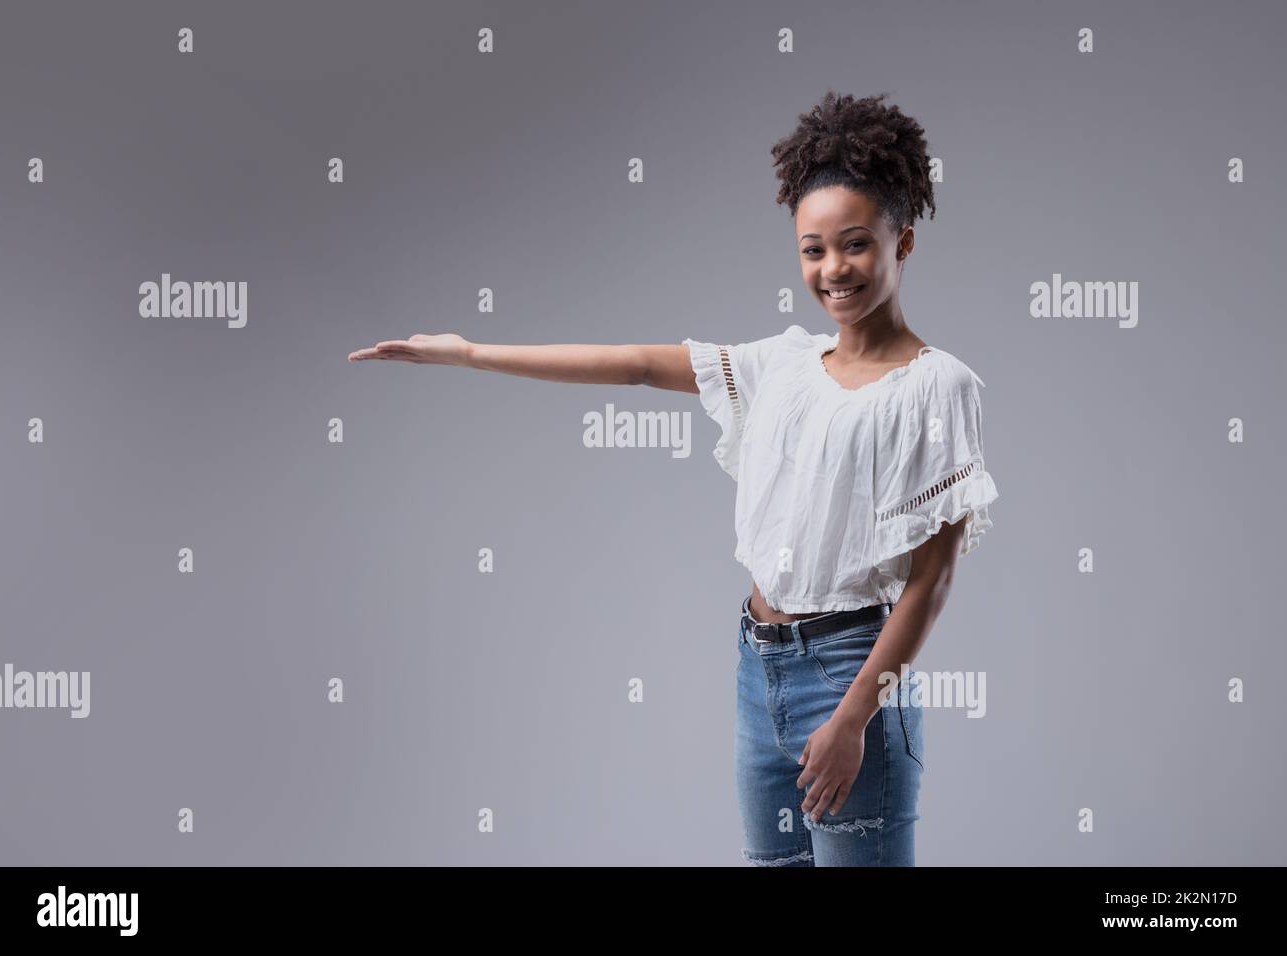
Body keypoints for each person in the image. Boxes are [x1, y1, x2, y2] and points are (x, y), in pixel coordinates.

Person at [348, 91, 998, 867]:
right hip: (760, 671)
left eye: (854, 244)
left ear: (905, 241)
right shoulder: (784, 364)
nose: (833, 270)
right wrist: (473, 353)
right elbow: (632, 365)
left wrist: (854, 720)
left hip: (851, 675)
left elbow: (933, 580)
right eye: (812, 249)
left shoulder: (938, 386)